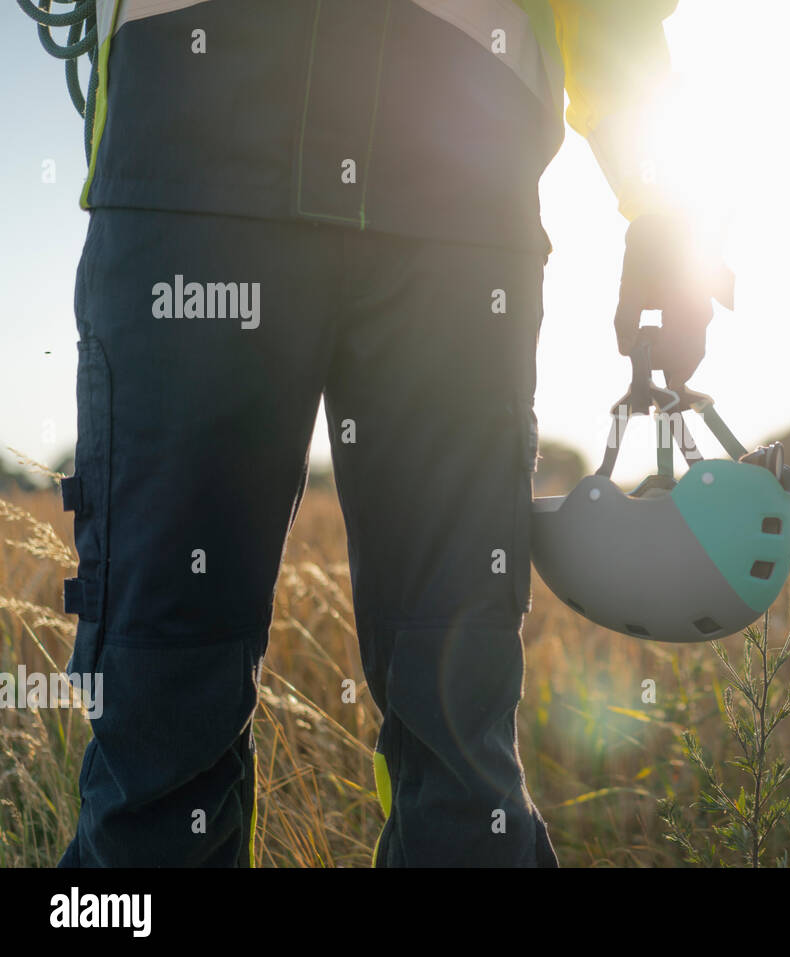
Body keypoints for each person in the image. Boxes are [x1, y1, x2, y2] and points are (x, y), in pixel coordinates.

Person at [54, 0, 730, 867]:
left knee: (461, 759)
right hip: (205, 158)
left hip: (446, 188)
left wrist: (666, 206)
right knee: (158, 726)